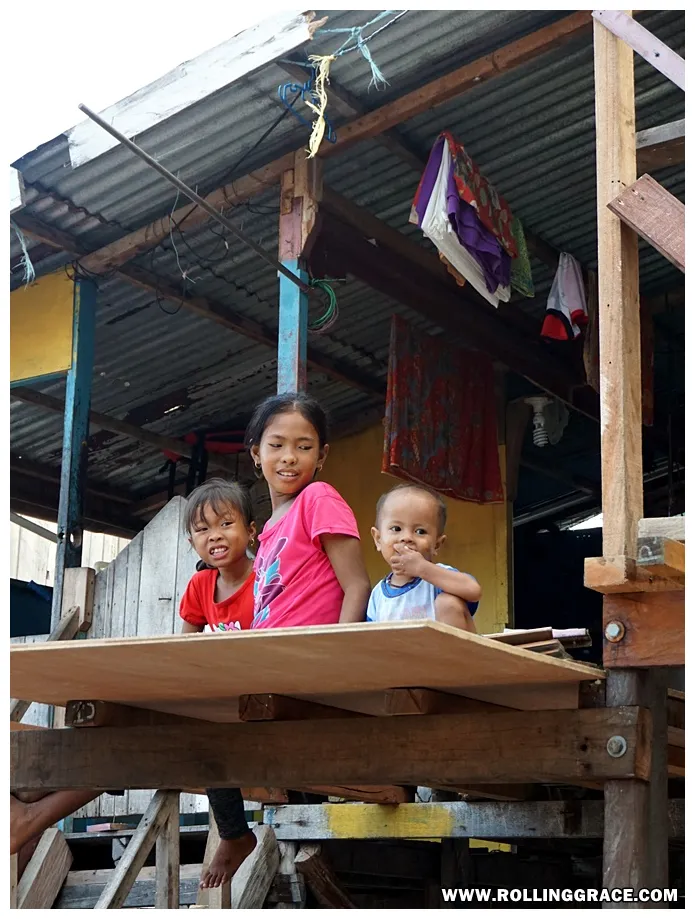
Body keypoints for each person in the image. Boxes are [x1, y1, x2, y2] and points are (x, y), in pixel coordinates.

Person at [199, 391, 371, 889]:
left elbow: (357, 585)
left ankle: (236, 834)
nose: (289, 457)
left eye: (304, 446)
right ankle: (237, 832)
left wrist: (337, 661)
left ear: (323, 455)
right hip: (273, 664)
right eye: (276, 445)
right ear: (256, 453)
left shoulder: (319, 499)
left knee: (206, 718)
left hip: (309, 662)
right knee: (201, 714)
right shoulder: (271, 527)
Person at [367, 483, 481, 632]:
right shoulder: (378, 596)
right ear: (378, 539)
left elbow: (474, 590)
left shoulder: (438, 579)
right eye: (396, 529)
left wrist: (422, 568)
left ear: (437, 545)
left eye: (420, 531)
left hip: (449, 647)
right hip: (401, 648)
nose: (407, 538)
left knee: (448, 602)